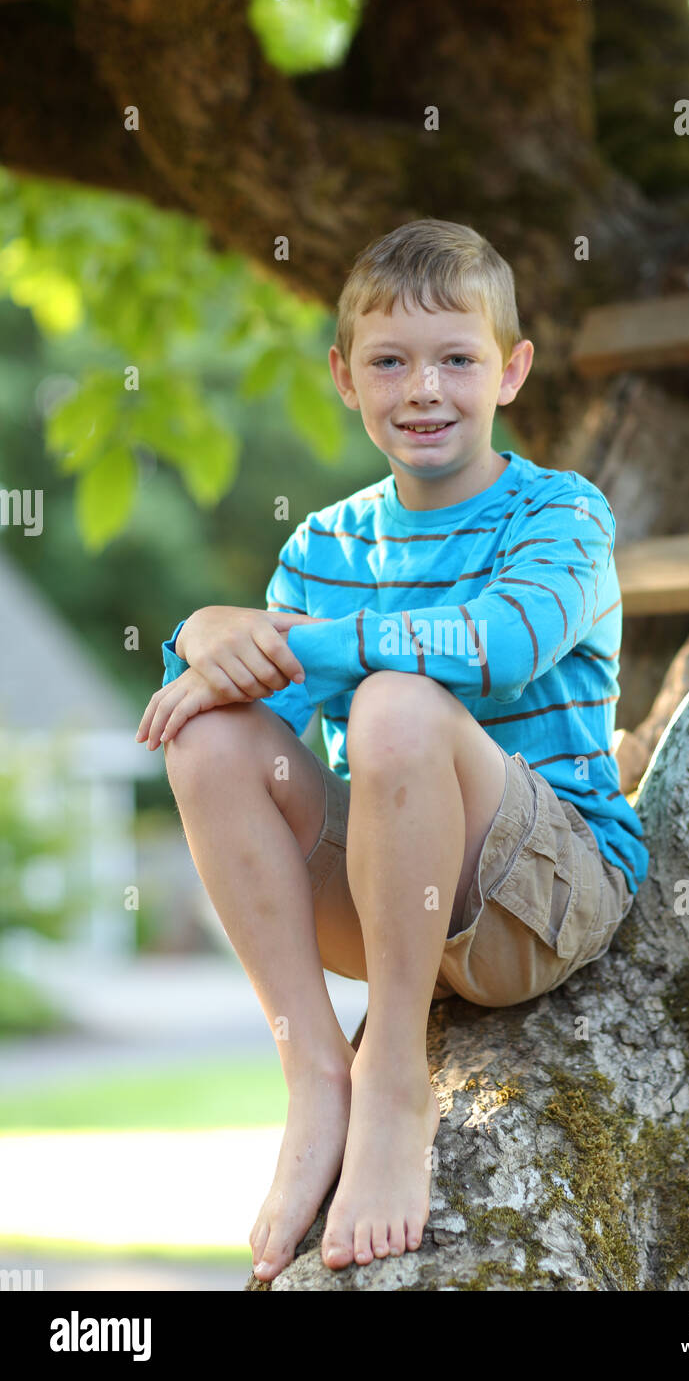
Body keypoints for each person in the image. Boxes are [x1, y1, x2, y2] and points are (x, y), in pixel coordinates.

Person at [135, 217, 649, 1281]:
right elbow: (242, 693)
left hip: (541, 895)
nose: (424, 388)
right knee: (207, 737)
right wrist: (198, 632)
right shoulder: (325, 546)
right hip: (384, 902)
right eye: (389, 361)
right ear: (343, 376)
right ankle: (317, 1071)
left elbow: (503, 645)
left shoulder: (560, 512)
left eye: (456, 358)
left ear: (509, 371)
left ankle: (394, 1082)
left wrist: (295, 640)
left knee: (396, 708)